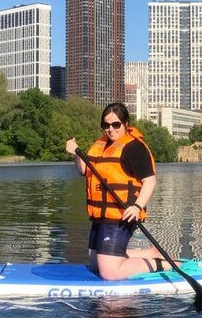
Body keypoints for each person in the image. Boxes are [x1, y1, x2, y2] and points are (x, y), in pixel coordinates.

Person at [65, 103, 173, 280]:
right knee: (94, 264)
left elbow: (150, 181)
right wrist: (76, 153)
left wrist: (137, 207)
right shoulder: (101, 144)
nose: (111, 129)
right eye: (106, 125)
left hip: (123, 214)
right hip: (101, 215)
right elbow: (83, 170)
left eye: (116, 124)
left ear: (125, 124)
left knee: (110, 272)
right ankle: (148, 253)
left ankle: (166, 264)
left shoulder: (134, 148)